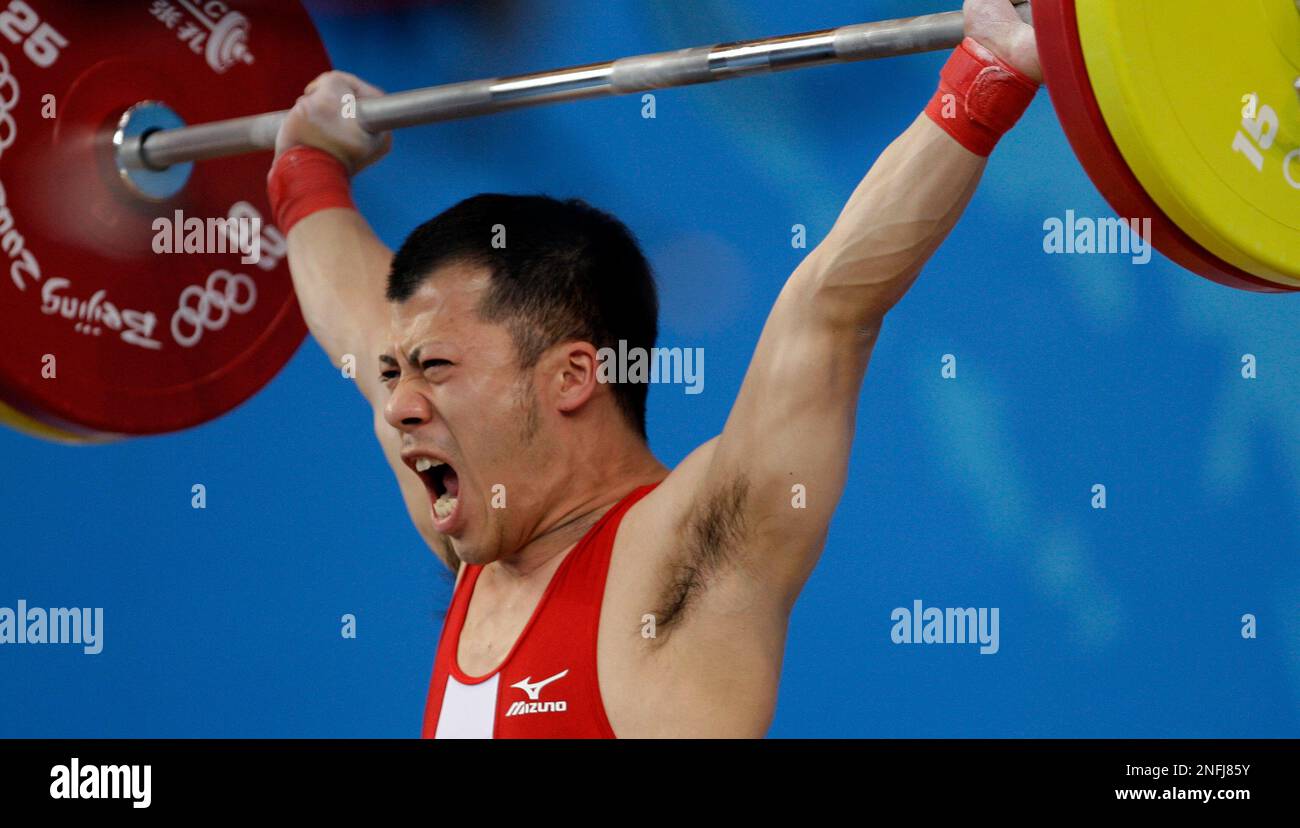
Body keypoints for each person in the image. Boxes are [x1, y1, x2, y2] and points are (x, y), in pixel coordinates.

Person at [268, 0, 1041, 737]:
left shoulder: (685, 560)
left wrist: (989, 72)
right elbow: (360, 328)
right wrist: (304, 168)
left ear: (570, 377)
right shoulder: (474, 533)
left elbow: (831, 307)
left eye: (435, 367)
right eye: (402, 374)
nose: (402, 404)